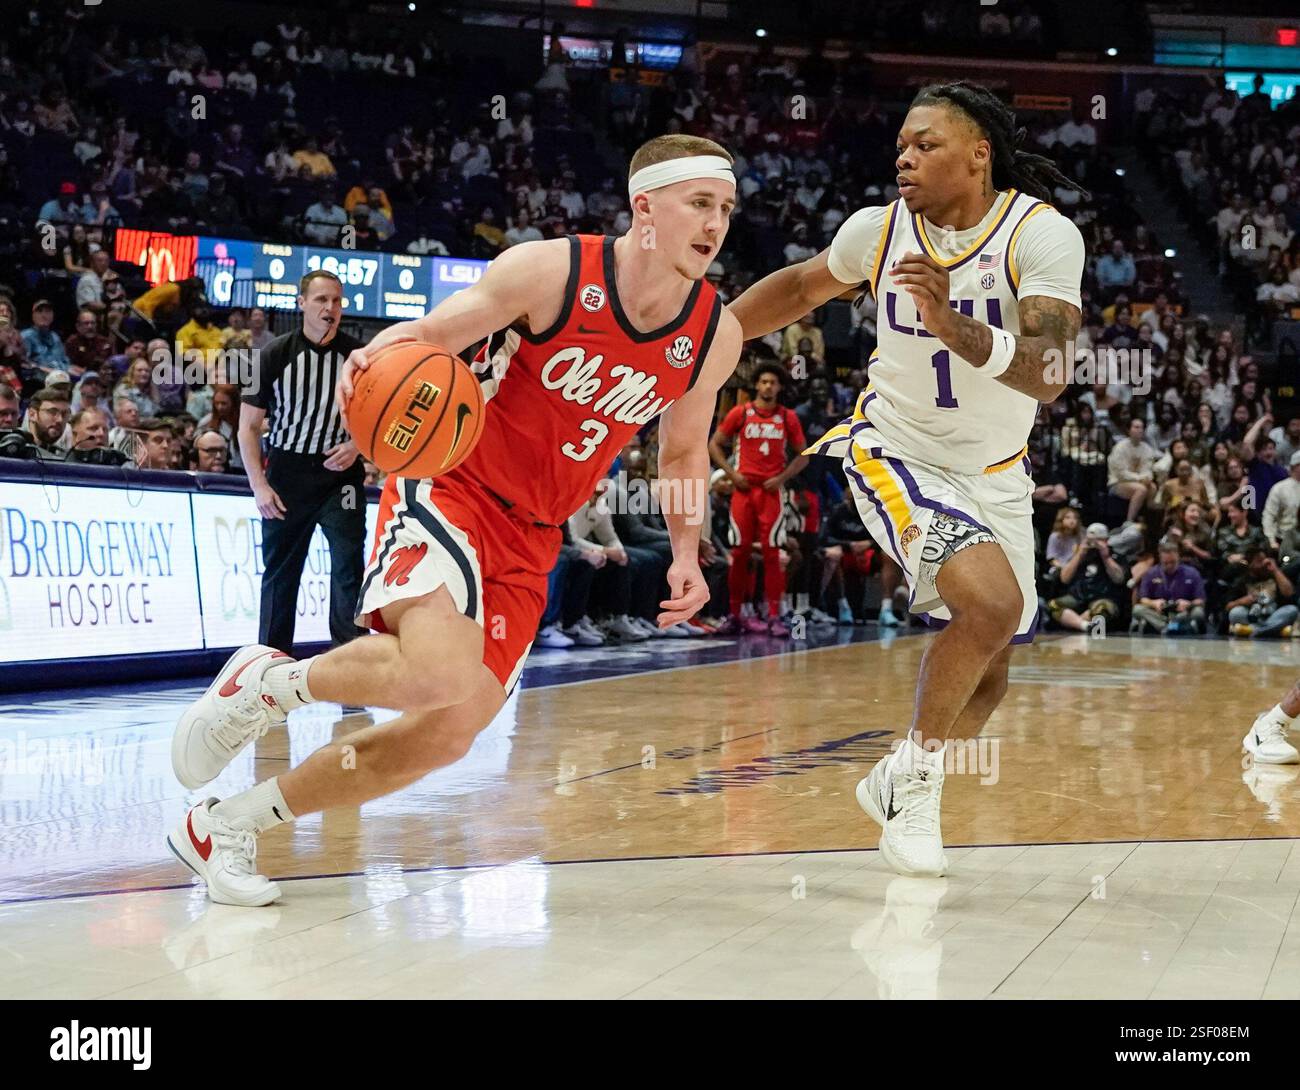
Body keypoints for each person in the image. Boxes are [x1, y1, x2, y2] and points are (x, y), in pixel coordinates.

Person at [168, 134, 743, 906]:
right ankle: (269, 682)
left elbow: (680, 455)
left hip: (535, 531)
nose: (715, 224)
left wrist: (683, 550)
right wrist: (372, 362)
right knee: (436, 669)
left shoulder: (713, 334)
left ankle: (228, 824)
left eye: (727, 209)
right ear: (646, 207)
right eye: (699, 204)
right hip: (452, 484)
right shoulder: (552, 270)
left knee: (448, 729)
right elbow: (432, 336)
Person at [730, 80, 1086, 877]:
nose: (905, 156)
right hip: (894, 448)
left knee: (990, 674)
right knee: (989, 604)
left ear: (978, 154)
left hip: (995, 473)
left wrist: (952, 324)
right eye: (901, 144)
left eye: (926, 143)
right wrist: (708, 338)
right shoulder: (878, 231)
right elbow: (797, 287)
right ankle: (917, 788)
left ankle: (895, 777)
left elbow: (1053, 372)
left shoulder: (1042, 235)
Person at [234, 269, 367, 655]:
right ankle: (269, 665)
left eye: (337, 301)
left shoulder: (356, 357)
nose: (330, 308)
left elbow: (381, 416)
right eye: (322, 300)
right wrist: (259, 484)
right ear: (302, 304)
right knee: (281, 574)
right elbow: (248, 428)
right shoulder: (273, 354)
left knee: (348, 568)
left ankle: (351, 663)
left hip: (340, 476)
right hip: (287, 474)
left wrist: (357, 445)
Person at [708, 363, 808, 636]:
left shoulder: (787, 417)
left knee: (772, 554)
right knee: (739, 552)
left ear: (780, 387)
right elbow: (714, 444)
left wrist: (782, 478)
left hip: (771, 492)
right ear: (756, 385)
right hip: (743, 490)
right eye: (763, 381)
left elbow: (805, 454)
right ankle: (735, 614)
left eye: (772, 383)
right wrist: (731, 473)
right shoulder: (740, 413)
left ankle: (775, 615)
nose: (768, 386)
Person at [1045, 522, 1127, 633]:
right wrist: (1079, 555)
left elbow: (1119, 579)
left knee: (1102, 610)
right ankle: (1084, 625)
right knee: (1053, 605)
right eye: (1090, 540)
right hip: (1079, 597)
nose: (1093, 544)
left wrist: (1106, 557)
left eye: (1098, 540)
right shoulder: (1080, 555)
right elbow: (1064, 578)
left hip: (1102, 598)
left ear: (1106, 540)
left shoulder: (1114, 555)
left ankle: (1077, 622)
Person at [1131, 538, 1207, 634]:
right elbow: (1143, 598)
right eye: (1166, 563)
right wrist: (1153, 603)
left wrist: (1188, 603)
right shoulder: (1151, 573)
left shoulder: (1192, 573)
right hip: (1160, 612)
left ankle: (1173, 626)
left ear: (1178, 557)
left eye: (1173, 562)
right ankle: (1167, 628)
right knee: (1137, 609)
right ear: (1160, 559)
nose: (1170, 566)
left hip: (1182, 612)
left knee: (1198, 612)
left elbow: (1201, 600)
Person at [1226, 547, 1297, 638]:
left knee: (1291, 609)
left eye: (1264, 560)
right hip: (1252, 617)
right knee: (1235, 613)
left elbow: (1289, 593)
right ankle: (1274, 630)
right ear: (1250, 564)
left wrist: (1275, 570)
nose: (1263, 564)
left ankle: (1254, 631)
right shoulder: (1242, 580)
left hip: (1274, 615)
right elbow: (1228, 607)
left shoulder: (1276, 574)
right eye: (1259, 561)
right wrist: (1241, 602)